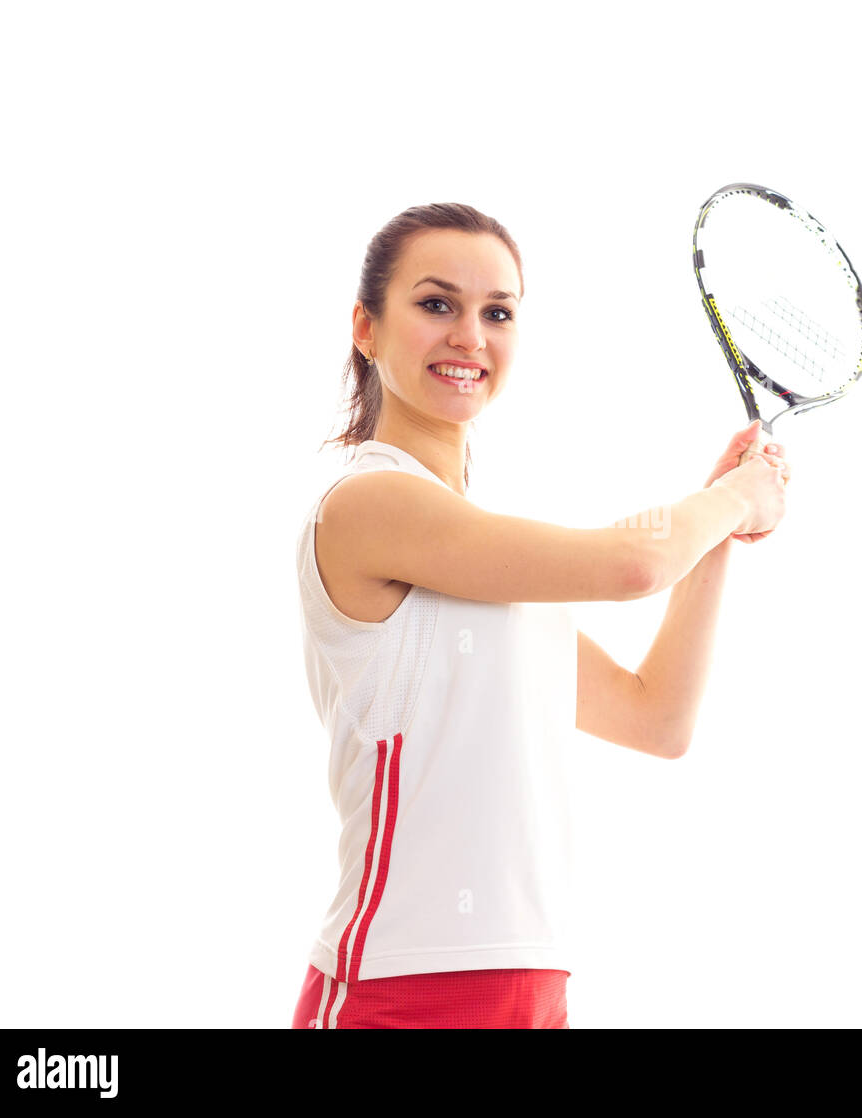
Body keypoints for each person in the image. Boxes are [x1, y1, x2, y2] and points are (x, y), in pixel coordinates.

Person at [290, 202, 789, 1029]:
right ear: (366, 328)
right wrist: (735, 498)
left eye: (498, 313)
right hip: (398, 987)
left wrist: (723, 527)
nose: (469, 337)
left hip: (535, 985)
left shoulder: (492, 568)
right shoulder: (366, 503)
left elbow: (655, 715)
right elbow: (631, 563)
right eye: (436, 304)